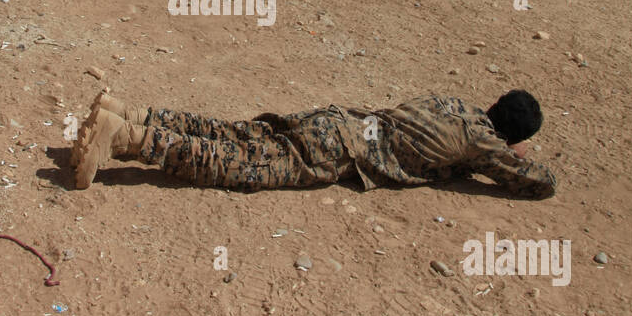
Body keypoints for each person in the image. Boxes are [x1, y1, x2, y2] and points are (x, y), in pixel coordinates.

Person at [71, 89, 557, 197]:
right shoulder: (485, 142)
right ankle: (127, 138)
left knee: (232, 132)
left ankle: (132, 112)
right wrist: (510, 155)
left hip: (333, 119)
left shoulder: (455, 104)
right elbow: (539, 184)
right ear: (512, 137)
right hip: (340, 151)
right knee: (233, 166)